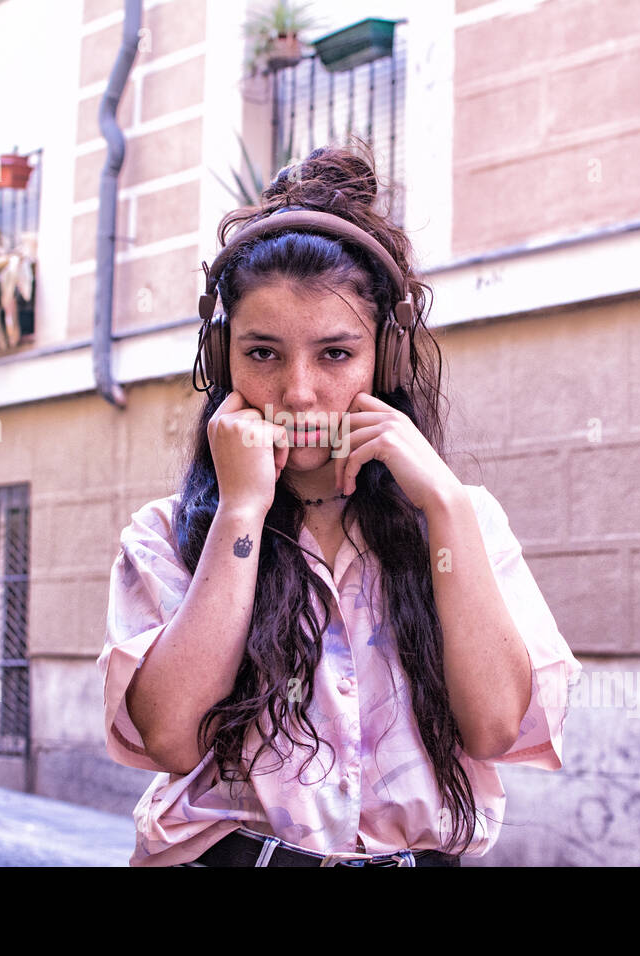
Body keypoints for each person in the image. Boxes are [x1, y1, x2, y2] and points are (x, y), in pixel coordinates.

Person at [98, 137, 582, 867]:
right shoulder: (166, 533)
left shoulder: (465, 520)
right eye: (262, 353)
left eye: (335, 354)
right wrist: (240, 515)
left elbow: (490, 729)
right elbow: (169, 737)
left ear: (384, 359)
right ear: (222, 356)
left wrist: (444, 506)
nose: (298, 391)